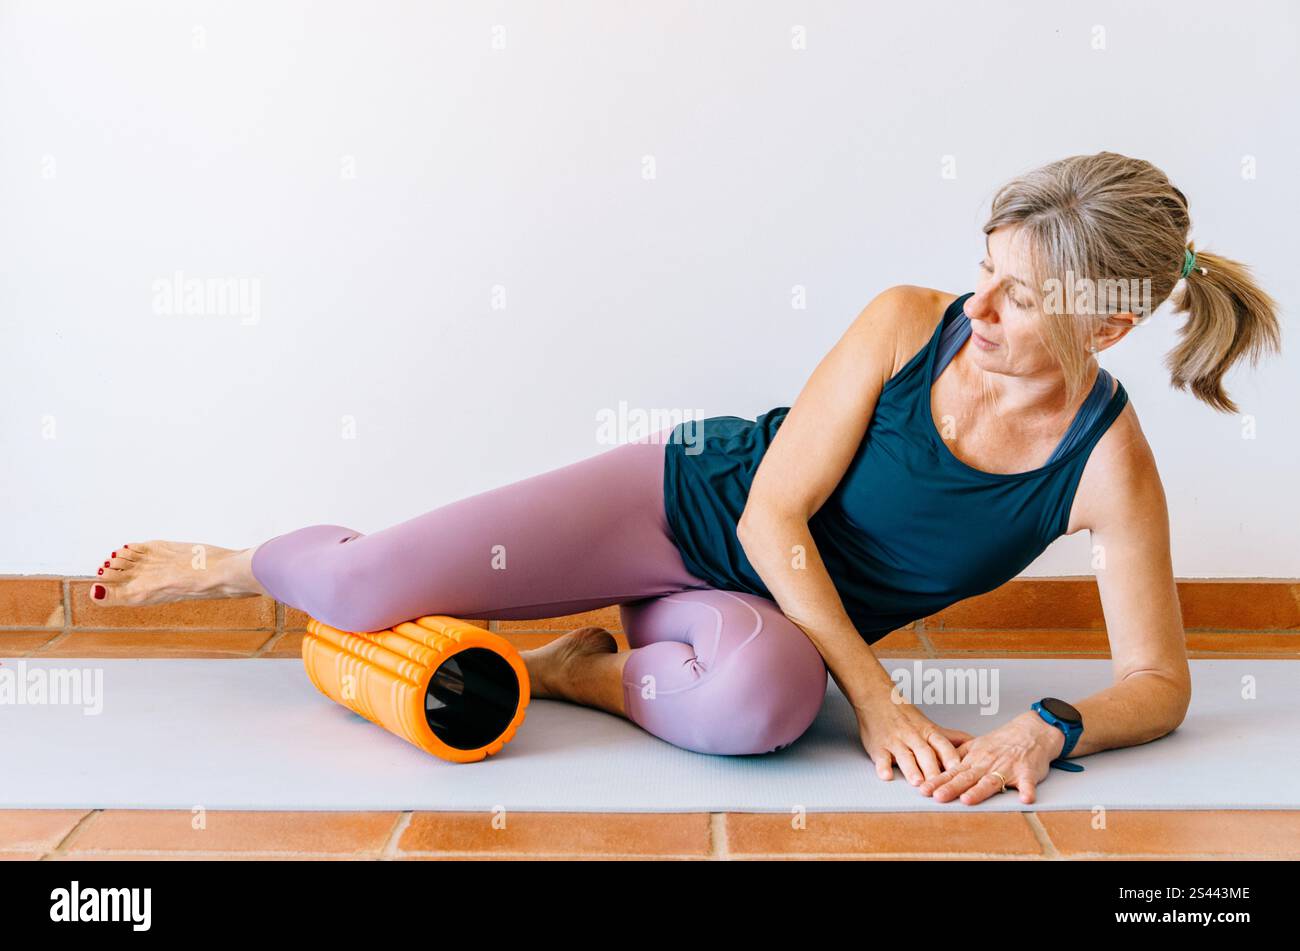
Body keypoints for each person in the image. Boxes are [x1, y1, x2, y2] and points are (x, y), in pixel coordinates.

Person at [91, 152, 1280, 804]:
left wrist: (1047, 727)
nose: (979, 305)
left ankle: (568, 670)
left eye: (1019, 296)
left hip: (763, 614)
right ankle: (233, 559)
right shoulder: (906, 323)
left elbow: (1157, 681)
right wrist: (876, 697)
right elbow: (773, 515)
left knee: (762, 709)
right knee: (365, 593)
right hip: (686, 501)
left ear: (1107, 329)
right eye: (984, 267)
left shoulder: (1105, 467)